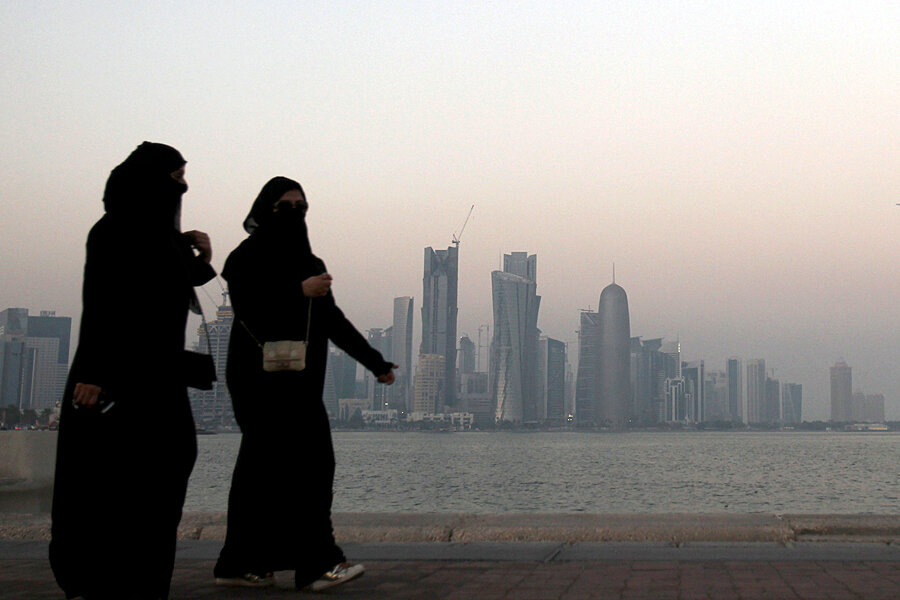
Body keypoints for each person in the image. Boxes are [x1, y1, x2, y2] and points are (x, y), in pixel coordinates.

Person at [49, 142, 215, 600]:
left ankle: (144, 583)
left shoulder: (162, 235)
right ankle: (99, 579)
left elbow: (183, 282)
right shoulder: (114, 230)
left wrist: (202, 256)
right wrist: (94, 373)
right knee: (115, 483)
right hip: (117, 377)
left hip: (161, 376)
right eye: (176, 176)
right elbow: (102, 301)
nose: (183, 185)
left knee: (167, 471)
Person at [214, 176, 396, 591]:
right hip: (257, 380)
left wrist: (375, 363)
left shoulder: (309, 263)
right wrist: (299, 291)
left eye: (301, 206)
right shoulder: (244, 258)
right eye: (285, 206)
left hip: (300, 380)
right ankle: (317, 564)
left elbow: (333, 321)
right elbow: (249, 306)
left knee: (260, 472)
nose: (294, 213)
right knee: (312, 466)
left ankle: (240, 563)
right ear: (265, 210)